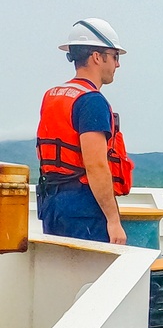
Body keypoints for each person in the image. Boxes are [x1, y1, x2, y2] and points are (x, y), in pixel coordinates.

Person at [36, 18, 133, 244]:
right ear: (97, 57)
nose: (117, 64)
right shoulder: (91, 101)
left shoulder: (53, 95)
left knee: (62, 264)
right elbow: (96, 165)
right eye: (115, 56)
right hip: (83, 208)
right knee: (93, 267)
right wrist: (113, 220)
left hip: (52, 203)